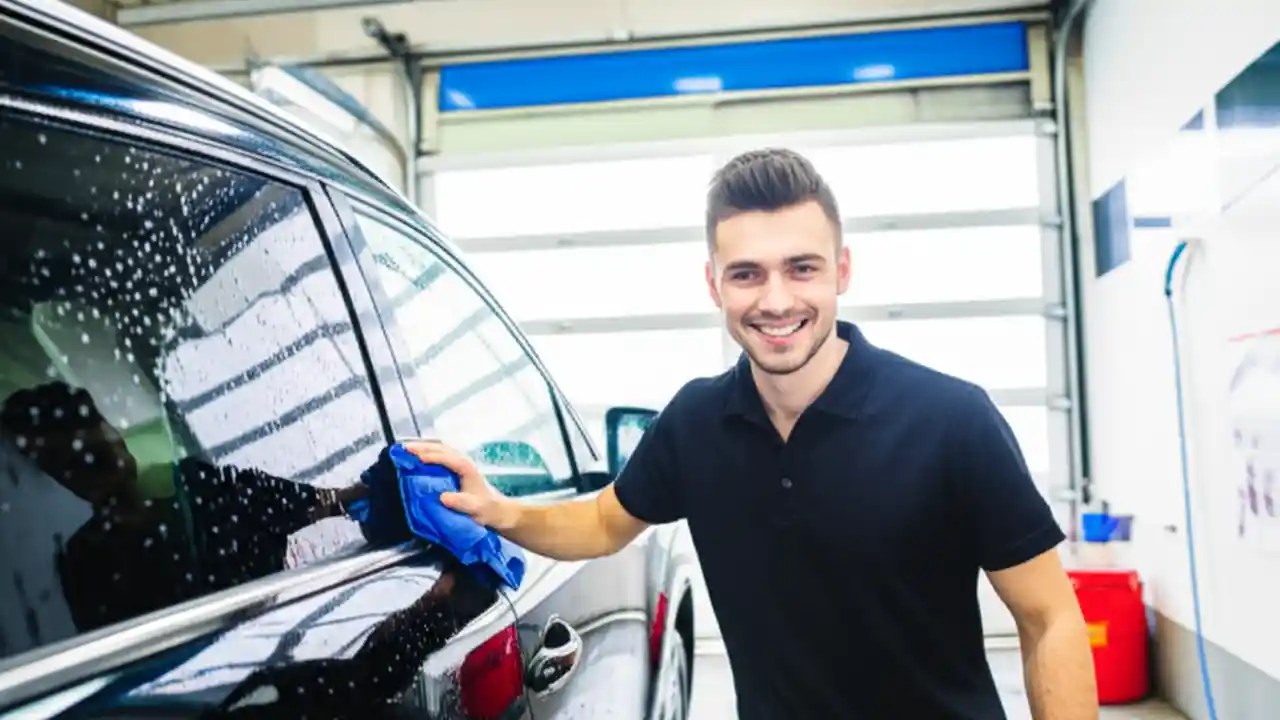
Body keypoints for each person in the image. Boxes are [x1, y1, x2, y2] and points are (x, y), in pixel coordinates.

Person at [405, 149, 1098, 718]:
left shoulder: (952, 421)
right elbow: (604, 522)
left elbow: (1049, 621)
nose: (775, 300)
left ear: (842, 271)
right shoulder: (696, 423)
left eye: (802, 267)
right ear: (714, 284)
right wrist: (498, 509)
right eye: (746, 274)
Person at [0, 382, 368, 632]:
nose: (93, 445)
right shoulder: (85, 566)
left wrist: (370, 495)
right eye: (71, 457)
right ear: (59, 480)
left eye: (89, 423)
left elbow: (324, 503)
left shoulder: (200, 483)